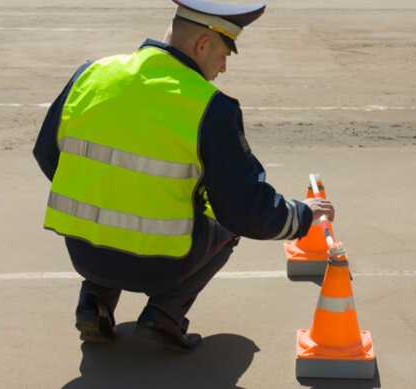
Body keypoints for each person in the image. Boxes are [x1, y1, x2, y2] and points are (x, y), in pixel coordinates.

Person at [33, 0, 335, 351]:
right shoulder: (209, 106)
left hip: (83, 251)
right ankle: (165, 313)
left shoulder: (91, 74)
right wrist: (302, 216)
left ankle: (94, 301)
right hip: (159, 264)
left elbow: (47, 154)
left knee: (117, 203)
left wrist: (101, 194)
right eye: (224, 54)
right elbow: (245, 209)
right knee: (225, 225)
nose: (222, 68)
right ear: (202, 44)